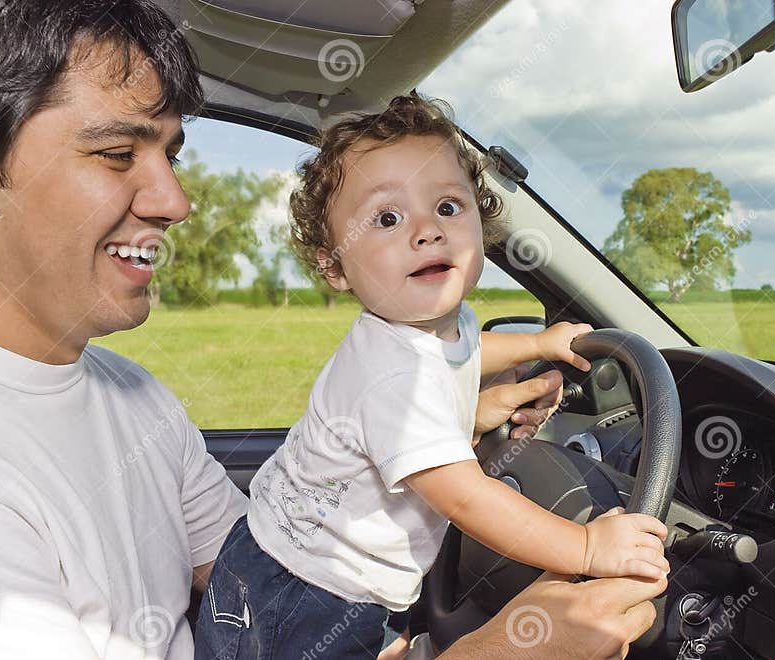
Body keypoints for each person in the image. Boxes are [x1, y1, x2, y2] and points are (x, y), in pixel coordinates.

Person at [0, 1, 665, 658]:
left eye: (173, 156)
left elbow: (249, 571)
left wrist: (438, 423)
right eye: (117, 154)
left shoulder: (131, 394)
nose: (175, 200)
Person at [193, 96, 670, 660]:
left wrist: (540, 343)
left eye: (447, 206)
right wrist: (585, 546)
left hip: (302, 570)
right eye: (388, 219)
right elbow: (467, 500)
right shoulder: (393, 374)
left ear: (479, 220)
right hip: (300, 593)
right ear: (334, 265)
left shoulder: (434, 326)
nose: (426, 231)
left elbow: (471, 347)